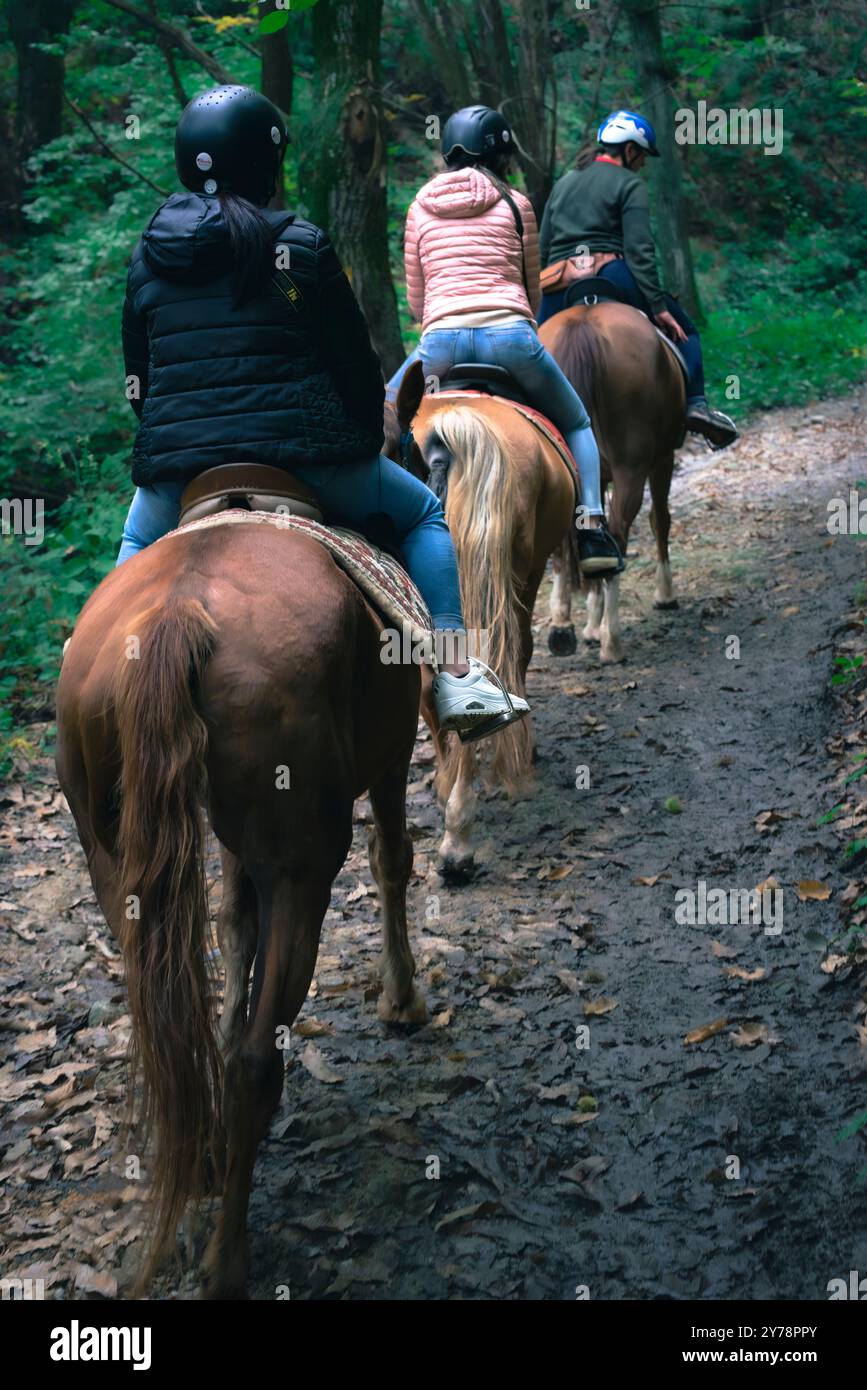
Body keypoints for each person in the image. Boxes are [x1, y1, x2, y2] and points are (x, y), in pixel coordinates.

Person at [118, 84, 527, 737]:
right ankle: (457, 676)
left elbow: (139, 380)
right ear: (266, 165)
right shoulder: (299, 245)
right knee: (423, 514)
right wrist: (367, 434)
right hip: (303, 459)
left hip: (182, 473)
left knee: (138, 547)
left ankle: (119, 693)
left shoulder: (147, 257)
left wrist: (175, 448)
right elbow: (354, 364)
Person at [387, 105, 623, 576]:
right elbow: (532, 291)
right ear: (501, 155)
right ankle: (593, 529)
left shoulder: (418, 208)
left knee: (384, 415)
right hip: (511, 339)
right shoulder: (516, 203)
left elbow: (416, 300)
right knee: (577, 421)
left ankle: (375, 529)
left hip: (440, 346)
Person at [538, 110, 738, 449]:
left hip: (559, 282)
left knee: (534, 350)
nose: (643, 163)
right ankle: (696, 407)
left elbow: (544, 246)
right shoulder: (630, 184)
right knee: (686, 330)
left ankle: (524, 416)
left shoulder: (564, 182)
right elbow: (640, 251)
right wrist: (658, 306)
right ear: (630, 151)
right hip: (611, 273)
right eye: (642, 155)